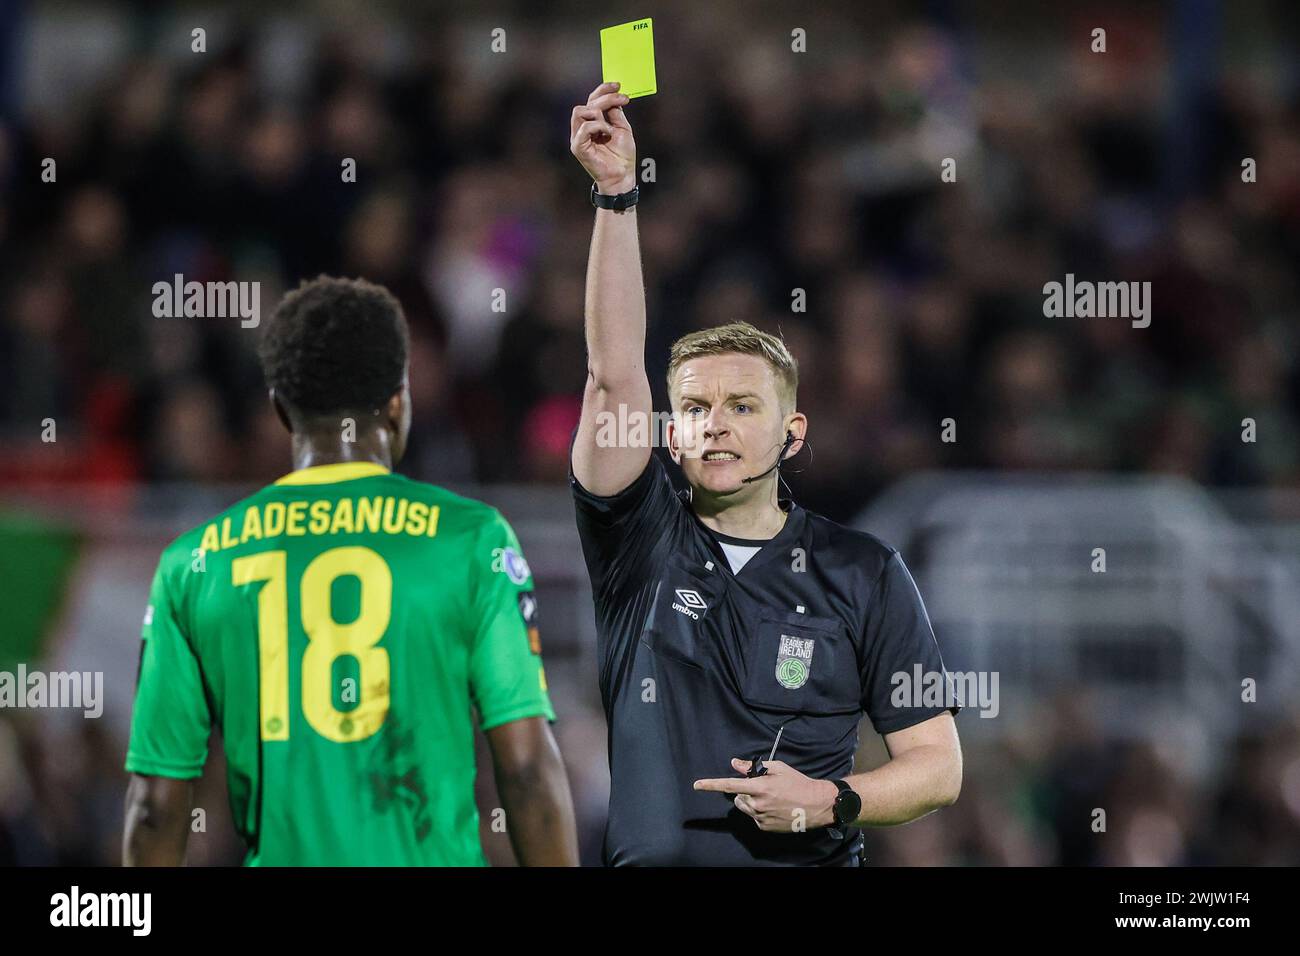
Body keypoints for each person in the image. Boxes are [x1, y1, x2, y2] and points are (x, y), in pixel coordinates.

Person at [568, 82, 963, 865]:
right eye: (696, 407)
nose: (716, 422)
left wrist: (834, 799)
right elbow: (614, 375)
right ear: (669, 435)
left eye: (744, 406)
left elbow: (938, 766)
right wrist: (616, 195)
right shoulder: (635, 541)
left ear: (793, 434)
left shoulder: (865, 571)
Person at [123, 276, 578, 866]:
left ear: (281, 409)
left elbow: (157, 804)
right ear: (397, 399)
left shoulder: (195, 562)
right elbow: (525, 770)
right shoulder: (473, 541)